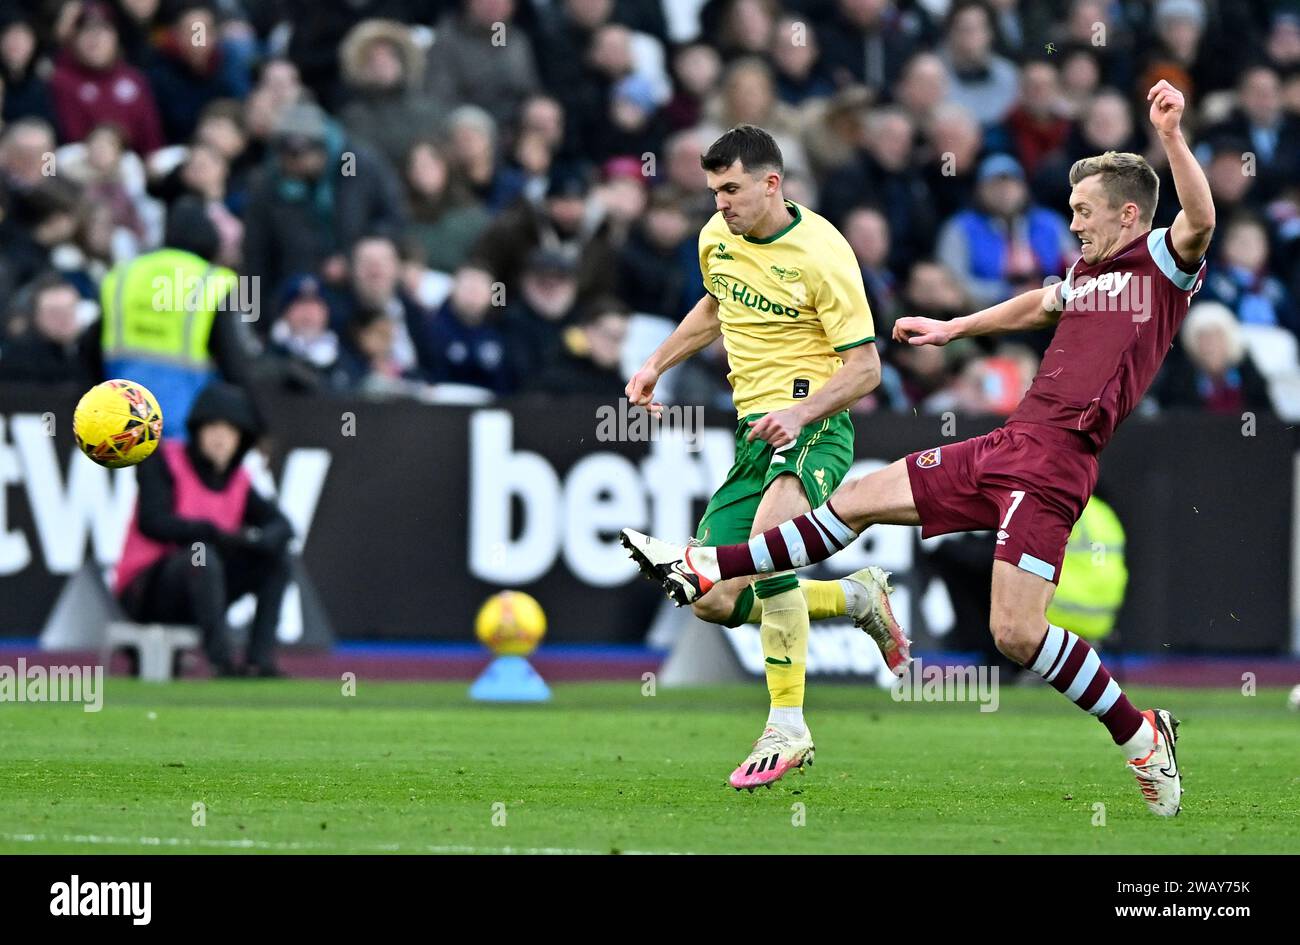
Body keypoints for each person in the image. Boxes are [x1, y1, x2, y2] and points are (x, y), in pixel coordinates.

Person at [622, 81, 1215, 817]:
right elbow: (1039, 303)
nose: (1072, 222)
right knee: (858, 499)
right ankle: (712, 563)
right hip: (1012, 438)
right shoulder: (1089, 274)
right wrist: (952, 328)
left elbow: (1201, 218)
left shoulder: (1161, 267)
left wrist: (1171, 134)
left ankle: (1142, 733)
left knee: (1015, 632)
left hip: (1058, 461)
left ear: (1128, 213)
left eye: (1083, 211)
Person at [623, 124, 901, 792]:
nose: (720, 202)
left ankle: (786, 724)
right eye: (714, 189)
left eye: (732, 188)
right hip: (756, 434)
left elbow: (866, 368)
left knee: (768, 549)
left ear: (772, 183)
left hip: (813, 423)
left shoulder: (823, 252)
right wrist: (656, 362)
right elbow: (716, 306)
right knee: (715, 599)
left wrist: (804, 412)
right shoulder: (715, 239)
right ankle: (856, 596)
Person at [114, 382, 292, 678]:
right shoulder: (162, 461)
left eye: (230, 431)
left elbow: (282, 525)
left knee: (277, 560)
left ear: (241, 439)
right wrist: (213, 533)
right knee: (201, 556)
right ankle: (222, 662)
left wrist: (256, 541)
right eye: (213, 428)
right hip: (147, 591)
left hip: (203, 591)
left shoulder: (238, 480)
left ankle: (259, 660)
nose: (221, 438)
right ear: (197, 431)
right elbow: (153, 522)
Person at [98, 197, 251, 437]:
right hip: (180, 422)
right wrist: (257, 419)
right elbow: (232, 359)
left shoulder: (124, 274)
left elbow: (91, 343)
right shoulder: (213, 281)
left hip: (115, 419)